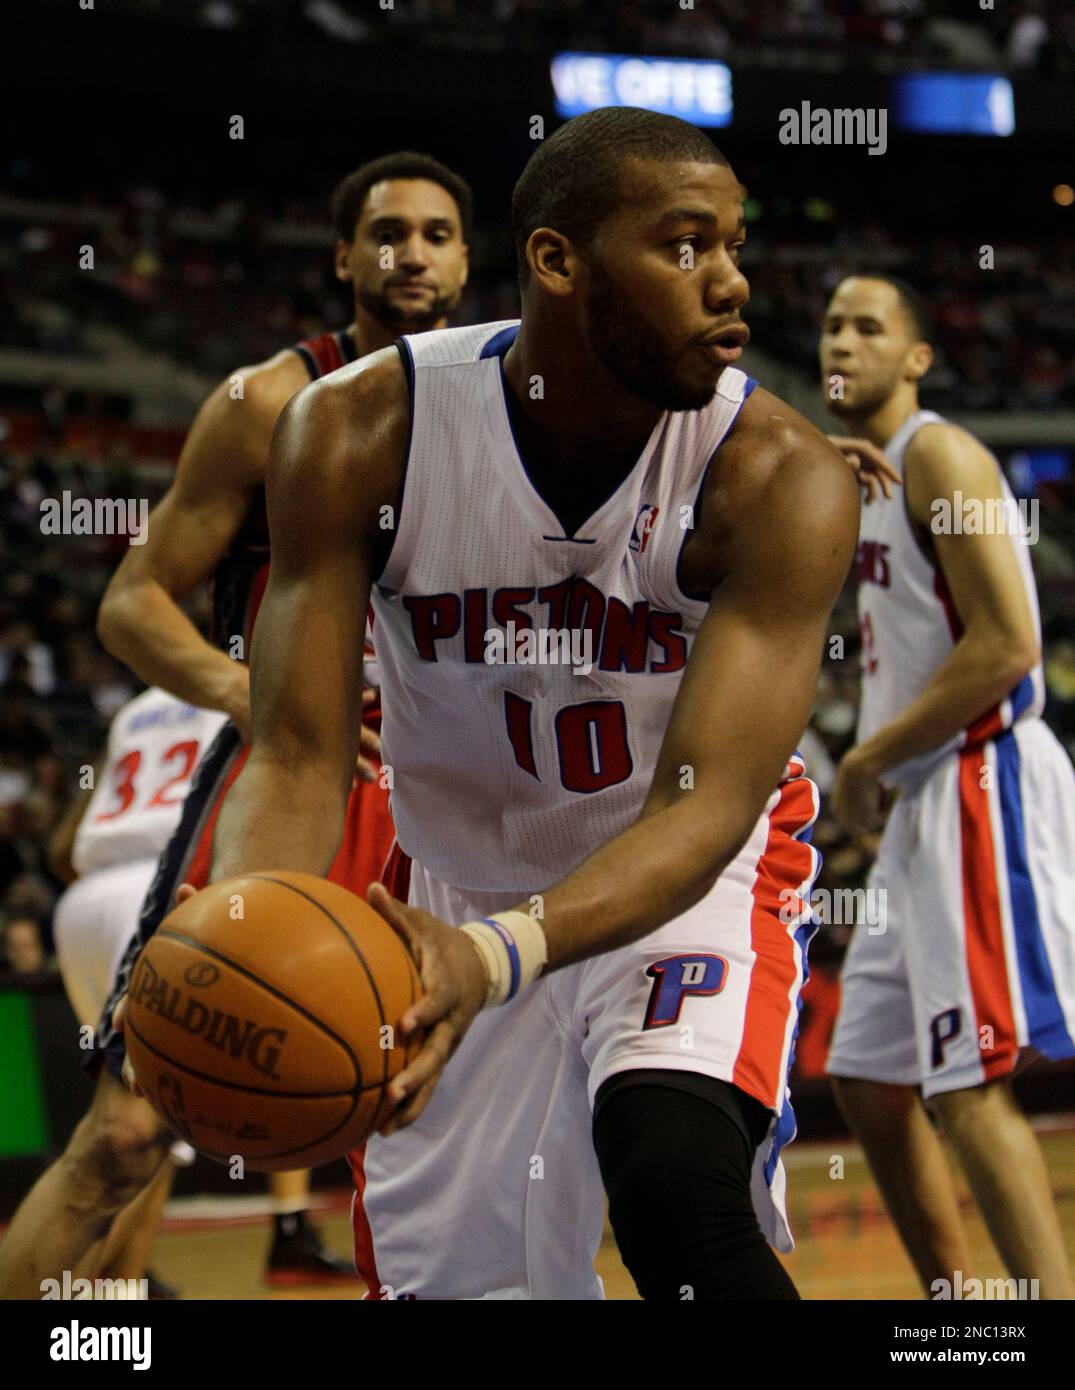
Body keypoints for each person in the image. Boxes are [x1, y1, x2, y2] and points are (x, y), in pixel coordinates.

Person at [186, 106, 861, 1300]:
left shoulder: (776, 475)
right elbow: (296, 755)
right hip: (449, 896)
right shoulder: (355, 432)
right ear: (557, 260)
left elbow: (704, 815)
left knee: (675, 1188)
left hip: (679, 881)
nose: (731, 282)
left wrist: (496, 955)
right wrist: (243, 943)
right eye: (684, 245)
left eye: (735, 246)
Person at [0, 151, 472, 1300]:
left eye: (437, 233)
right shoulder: (265, 400)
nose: (410, 253)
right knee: (123, 1135)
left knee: (438, 1151)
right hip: (288, 780)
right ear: (344, 255)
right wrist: (242, 691)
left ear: (469, 259)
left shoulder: (505, 400)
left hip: (451, 801)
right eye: (387, 232)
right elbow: (131, 600)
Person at [821, 274, 1075, 1299]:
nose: (840, 340)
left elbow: (1010, 646)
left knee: (968, 1082)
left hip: (979, 779)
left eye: (867, 327)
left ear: (917, 358)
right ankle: (960, 1307)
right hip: (925, 802)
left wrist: (867, 757)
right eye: (831, 324)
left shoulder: (940, 453)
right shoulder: (868, 474)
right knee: (868, 1079)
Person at [49, 686, 226, 1296]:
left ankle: (108, 1298)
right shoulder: (243, 682)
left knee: (119, 1118)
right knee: (149, 1126)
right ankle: (100, 1303)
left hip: (83, 904)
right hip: (161, 889)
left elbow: (61, 845)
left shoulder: (132, 709)